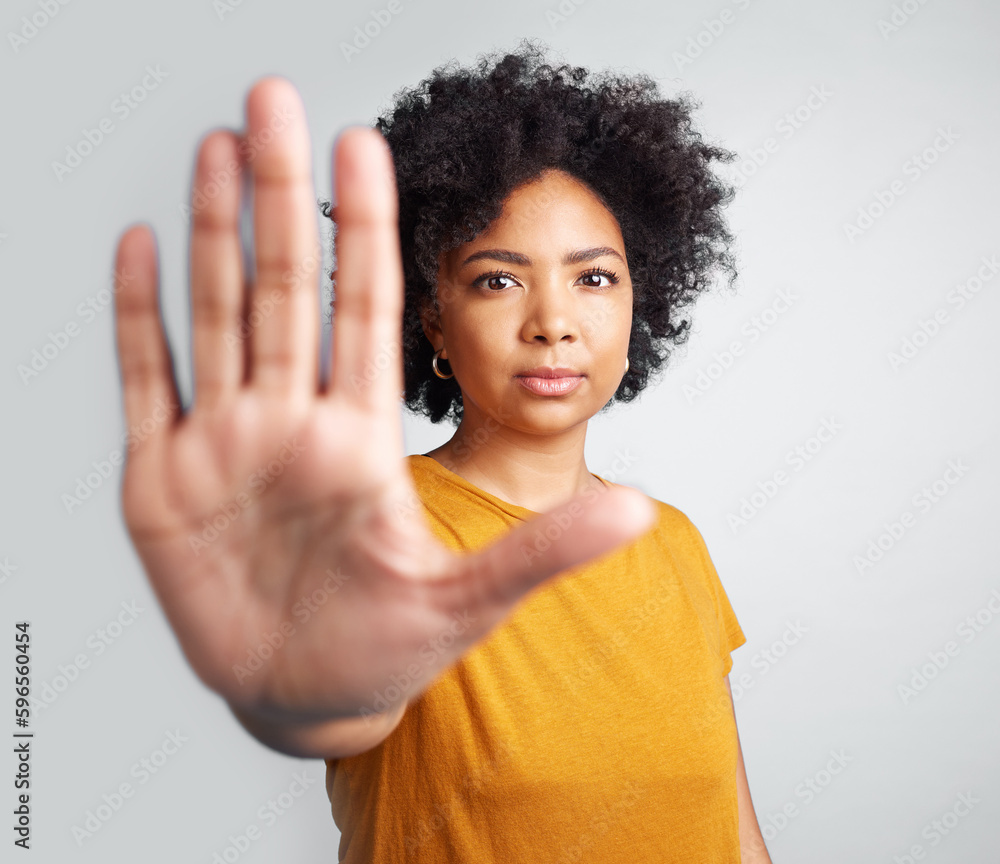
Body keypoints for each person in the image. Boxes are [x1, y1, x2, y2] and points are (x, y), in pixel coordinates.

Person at [112, 38, 771, 863]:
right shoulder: (376, 526)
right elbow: (338, 702)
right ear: (433, 324)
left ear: (642, 302)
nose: (553, 321)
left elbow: (736, 838)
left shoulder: (673, 542)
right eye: (498, 279)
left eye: (594, 278)